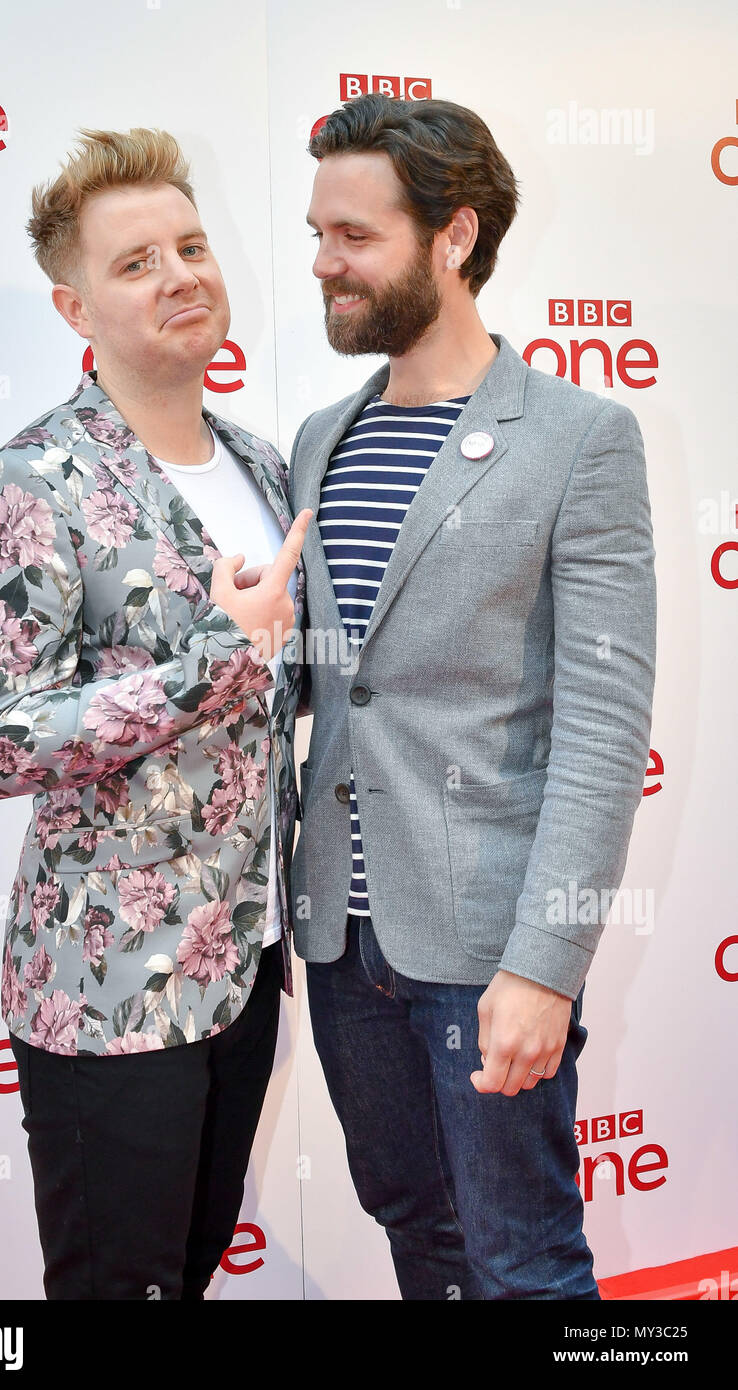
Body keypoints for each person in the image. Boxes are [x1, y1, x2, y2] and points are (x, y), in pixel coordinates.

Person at [289, 93, 656, 1300]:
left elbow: (603, 730)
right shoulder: (315, 440)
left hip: (487, 949)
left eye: (354, 235)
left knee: (522, 1259)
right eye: (317, 233)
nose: (323, 264)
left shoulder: (575, 440)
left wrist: (546, 962)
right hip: (343, 941)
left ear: (452, 237)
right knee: (419, 1236)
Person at [0, 126, 311, 1300]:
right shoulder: (27, 480)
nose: (180, 276)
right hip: (107, 989)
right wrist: (214, 657)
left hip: (247, 962)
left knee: (188, 1272)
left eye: (192, 247)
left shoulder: (261, 462)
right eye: (137, 261)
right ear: (74, 306)